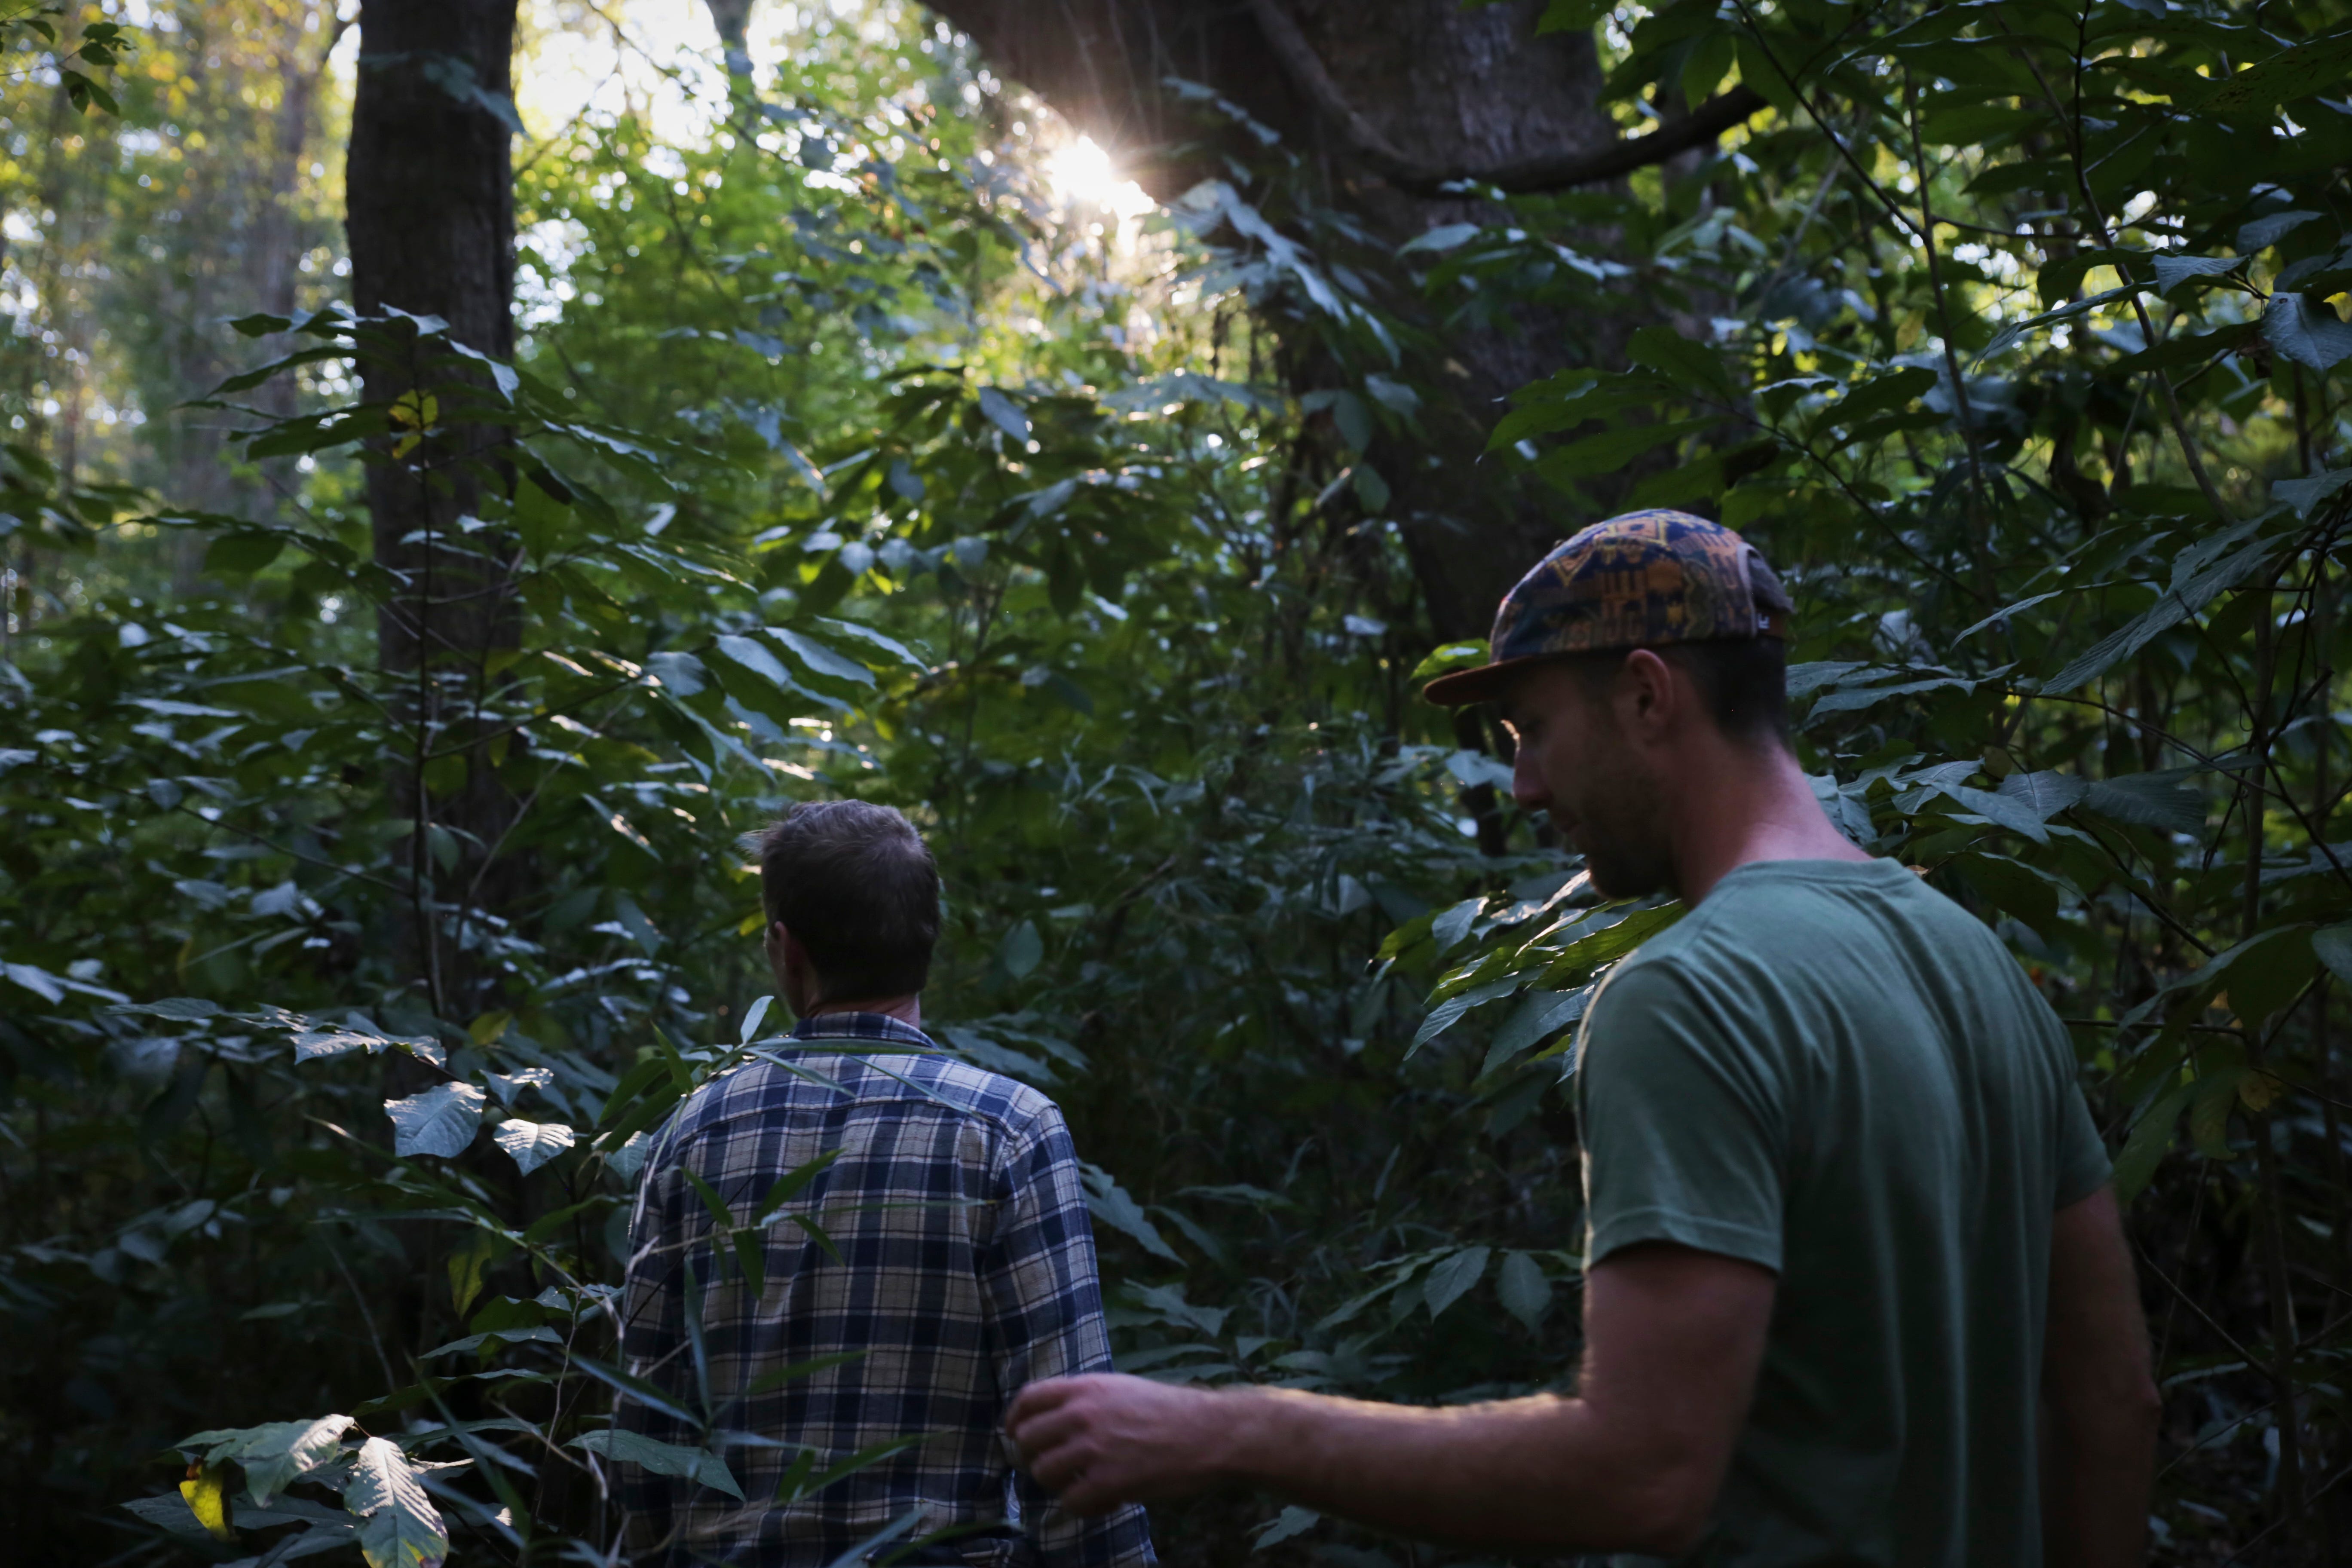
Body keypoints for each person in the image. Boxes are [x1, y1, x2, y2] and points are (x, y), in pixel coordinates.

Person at [1006, 511, 2159, 1566]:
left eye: (1536, 729)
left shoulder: (1695, 996)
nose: (1522, 785)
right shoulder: (1980, 964)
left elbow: (1643, 1476)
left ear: (1650, 696)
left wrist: (1236, 1428)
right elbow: (2114, 1403)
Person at [616, 799, 1156, 1568]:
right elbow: (1070, 1430)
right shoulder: (1009, 1128)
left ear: (785, 949)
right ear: (927, 940)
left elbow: (646, 1418)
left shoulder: (696, 1129)